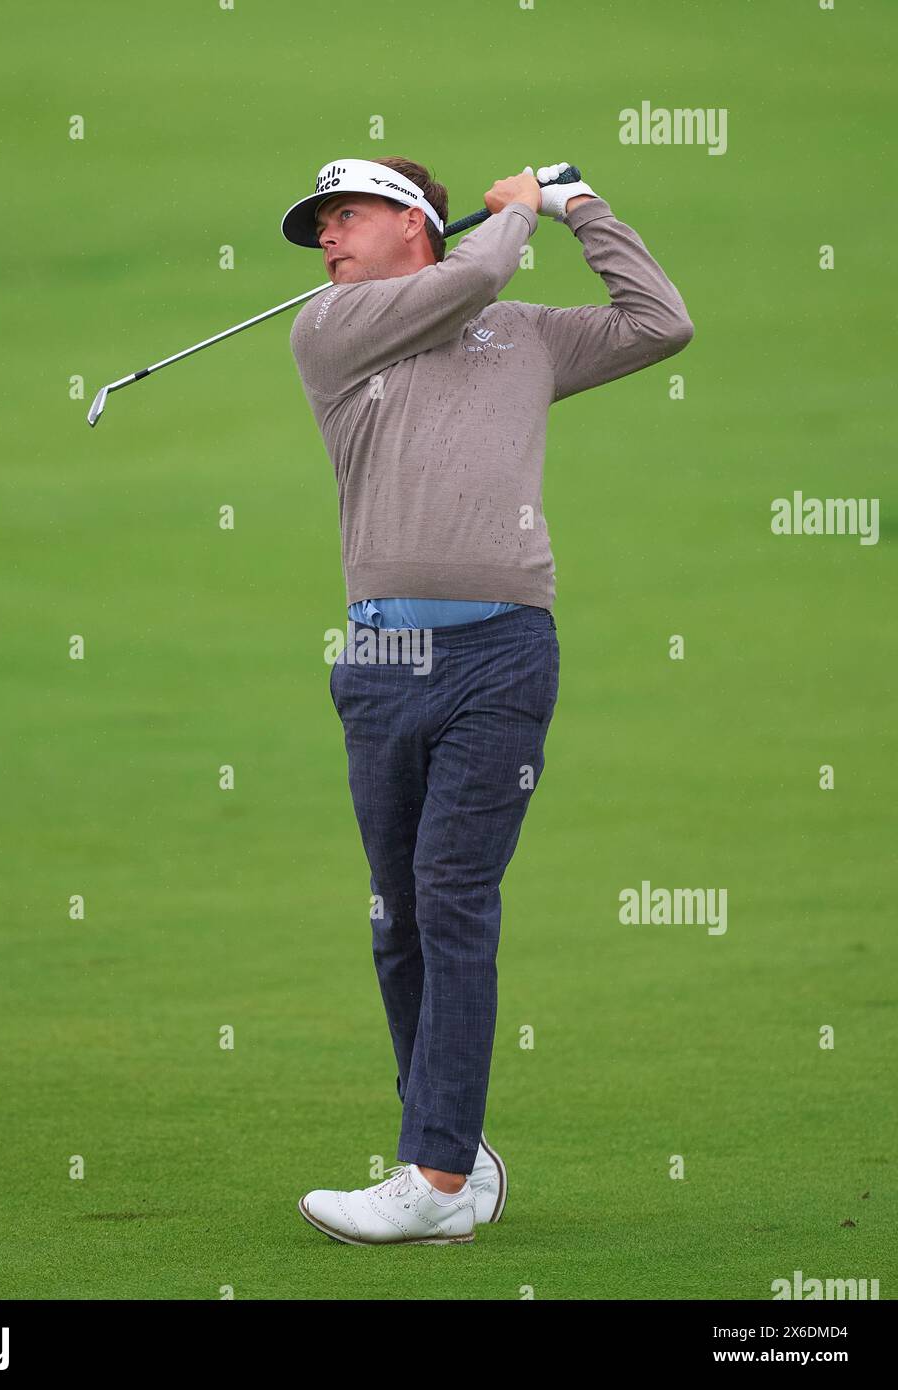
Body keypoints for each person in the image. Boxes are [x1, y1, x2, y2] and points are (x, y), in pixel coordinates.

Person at [282, 156, 694, 1245]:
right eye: (319, 223)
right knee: (397, 921)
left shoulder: (522, 334)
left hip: (502, 655)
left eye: (347, 215)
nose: (326, 237)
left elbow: (659, 323)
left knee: (450, 894)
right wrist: (511, 218)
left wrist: (575, 209)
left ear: (413, 222)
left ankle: (432, 1174)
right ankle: (451, 1153)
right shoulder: (331, 326)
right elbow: (464, 285)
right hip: (381, 662)